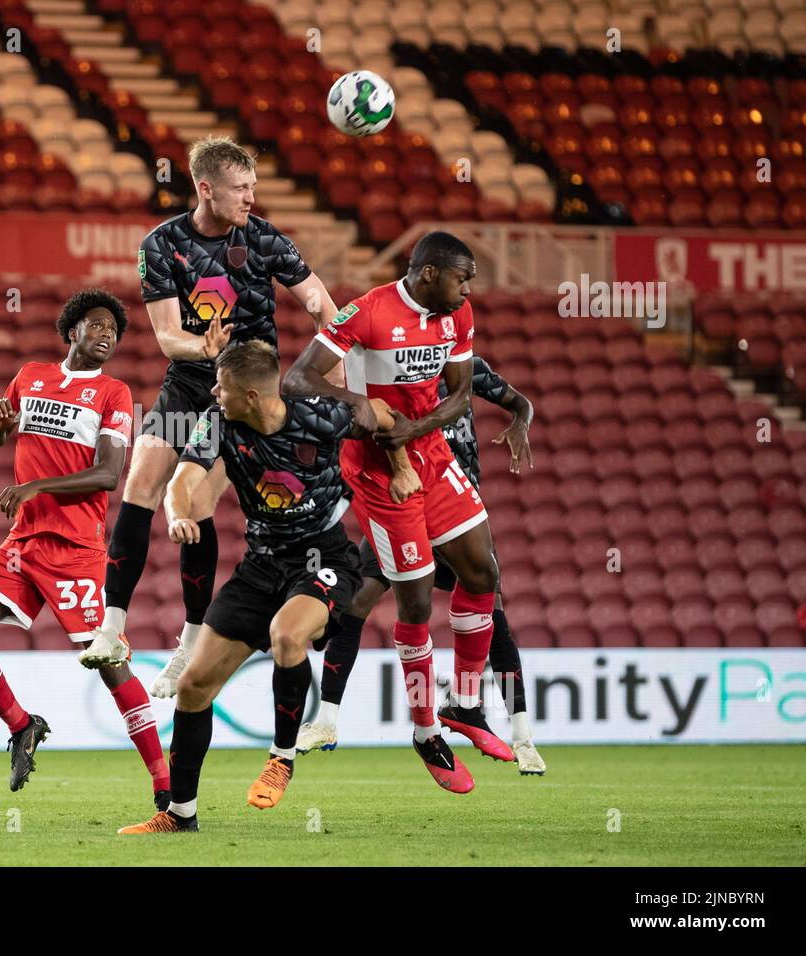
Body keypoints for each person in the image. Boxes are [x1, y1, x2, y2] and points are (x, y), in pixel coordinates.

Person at [76, 136, 341, 692]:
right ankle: (113, 626)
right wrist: (204, 346)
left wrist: (333, 352)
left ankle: (192, 637)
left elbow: (318, 301)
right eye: (241, 188)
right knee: (141, 483)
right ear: (205, 188)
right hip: (190, 383)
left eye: (253, 187)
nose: (251, 197)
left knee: (195, 502)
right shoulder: (162, 245)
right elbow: (169, 337)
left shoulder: (265, 240)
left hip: (243, 398)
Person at [118, 341, 413, 834]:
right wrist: (176, 514)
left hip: (323, 560)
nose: (214, 393)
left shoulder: (322, 416)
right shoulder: (219, 422)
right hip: (260, 566)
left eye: (222, 387)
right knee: (193, 686)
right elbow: (182, 480)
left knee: (286, 634)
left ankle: (282, 756)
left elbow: (385, 416)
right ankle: (180, 815)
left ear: (252, 395)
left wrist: (402, 468)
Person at [284, 230, 508, 794]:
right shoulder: (369, 312)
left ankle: (465, 703)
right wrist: (356, 401)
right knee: (414, 598)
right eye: (461, 279)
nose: (467, 290)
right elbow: (297, 377)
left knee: (483, 571)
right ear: (429, 273)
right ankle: (426, 730)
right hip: (380, 476)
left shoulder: (457, 316)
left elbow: (459, 395)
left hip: (431, 454)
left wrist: (418, 428)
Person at [0, 289, 171, 810]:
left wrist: (38, 488)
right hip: (23, 542)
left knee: (110, 664)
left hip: (74, 547)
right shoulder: (31, 376)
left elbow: (111, 473)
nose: (107, 333)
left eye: (114, 328)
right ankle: (22, 726)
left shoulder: (112, 393)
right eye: (96, 324)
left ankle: (165, 783)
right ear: (73, 332)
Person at [296, 356, 547, 774]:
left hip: (453, 513)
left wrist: (521, 420)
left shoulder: (465, 371)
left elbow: (519, 402)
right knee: (356, 602)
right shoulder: (392, 386)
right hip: (404, 506)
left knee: (492, 609)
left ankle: (522, 737)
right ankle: (325, 720)